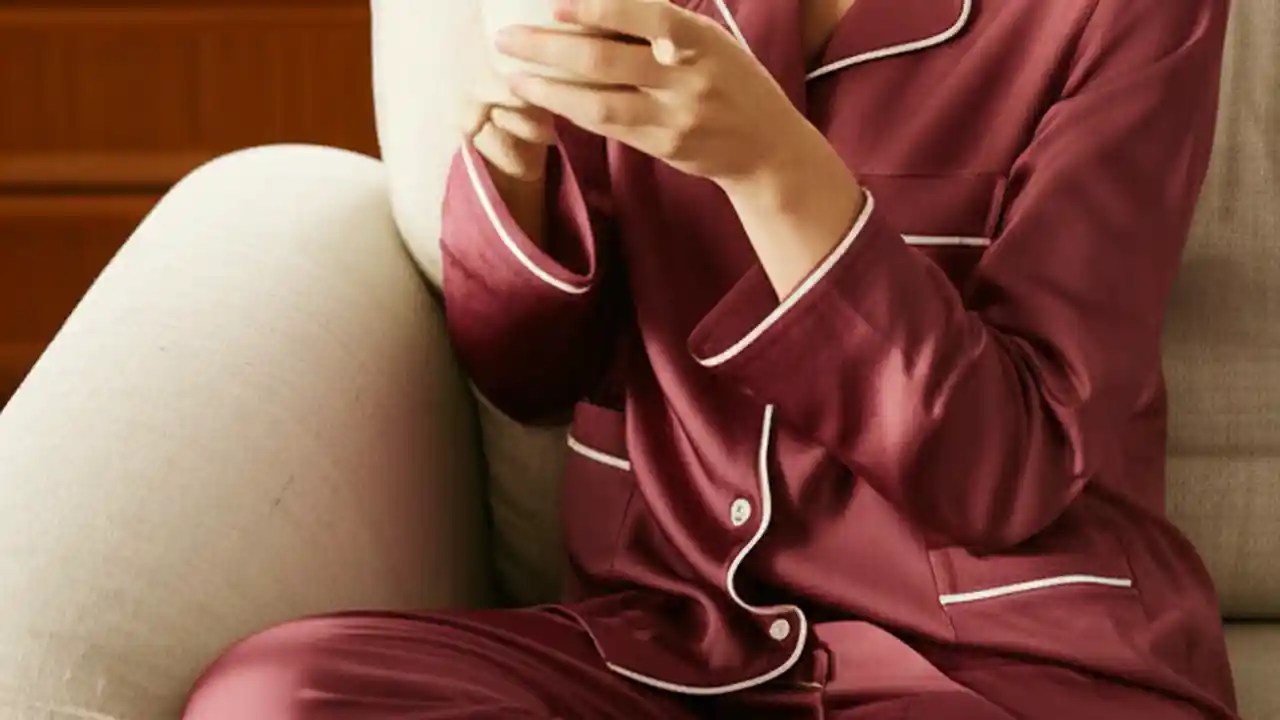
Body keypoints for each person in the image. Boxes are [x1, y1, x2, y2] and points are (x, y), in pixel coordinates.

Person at [183, 0, 1237, 717]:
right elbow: (534, 380)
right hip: (672, 645)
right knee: (277, 696)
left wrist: (774, 171)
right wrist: (512, 173)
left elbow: (1012, 466)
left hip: (1002, 665)